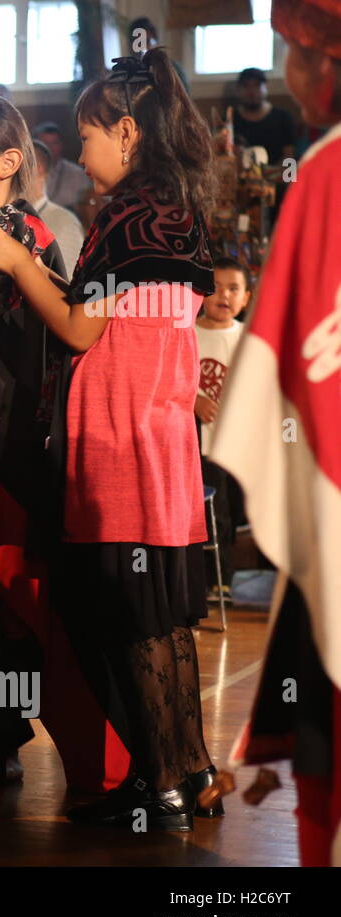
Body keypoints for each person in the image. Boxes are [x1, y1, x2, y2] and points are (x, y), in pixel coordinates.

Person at [0, 48, 218, 832]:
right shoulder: (177, 212)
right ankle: (191, 773)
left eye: (87, 137)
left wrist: (16, 259)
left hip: (121, 438)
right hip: (162, 436)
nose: (80, 154)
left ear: (128, 133)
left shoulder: (126, 218)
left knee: (121, 617)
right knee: (160, 620)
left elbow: (81, 329)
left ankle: (159, 785)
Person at [0, 96, 131, 796]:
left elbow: (49, 338)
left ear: (8, 162)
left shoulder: (14, 236)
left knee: (3, 599)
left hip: (5, 441)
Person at [210, 0, 341, 866]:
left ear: (325, 60)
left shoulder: (329, 174)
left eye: (291, 56)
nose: (286, 77)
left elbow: (291, 405)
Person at [195, 257, 251, 597]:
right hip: (199, 444)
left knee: (230, 514)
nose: (224, 295)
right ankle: (203, 580)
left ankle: (223, 580)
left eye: (234, 289)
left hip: (236, 446)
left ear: (246, 298)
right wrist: (193, 401)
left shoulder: (249, 339)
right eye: (215, 287)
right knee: (206, 511)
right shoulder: (188, 333)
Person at [29, 140, 85, 268]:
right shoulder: (9, 217)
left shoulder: (65, 221)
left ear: (38, 169)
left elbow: (67, 282)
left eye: (19, 165)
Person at [233, 67, 297, 165]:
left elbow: (290, 156)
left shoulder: (283, 117)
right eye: (246, 86)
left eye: (257, 85)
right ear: (239, 89)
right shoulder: (230, 120)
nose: (252, 91)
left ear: (266, 87)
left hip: (277, 176)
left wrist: (288, 178)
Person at [32, 121, 93, 212]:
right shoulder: (26, 174)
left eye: (54, 143)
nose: (49, 148)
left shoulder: (78, 175)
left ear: (61, 145)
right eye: (45, 143)